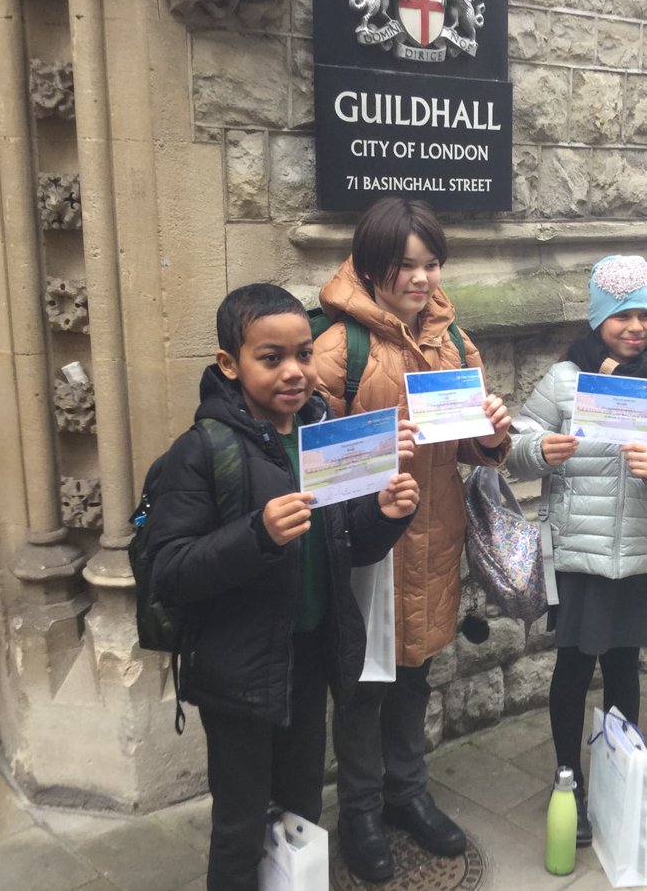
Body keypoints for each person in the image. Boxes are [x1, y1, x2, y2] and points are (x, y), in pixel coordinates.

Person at [145, 283, 419, 891]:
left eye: (302, 354)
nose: (294, 372)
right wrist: (258, 536)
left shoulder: (325, 434)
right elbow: (171, 569)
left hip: (308, 659)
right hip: (238, 671)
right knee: (241, 827)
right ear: (229, 364)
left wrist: (389, 513)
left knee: (300, 812)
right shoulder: (202, 451)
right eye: (271, 358)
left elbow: (351, 547)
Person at [312, 196, 512, 882]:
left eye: (431, 264)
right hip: (369, 547)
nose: (422, 279)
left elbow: (475, 454)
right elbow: (310, 459)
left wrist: (490, 429)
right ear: (373, 267)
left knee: (415, 675)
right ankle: (361, 813)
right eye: (406, 266)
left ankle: (409, 794)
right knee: (365, 685)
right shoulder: (339, 348)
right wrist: (375, 452)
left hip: (434, 537)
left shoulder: (452, 341)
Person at [508, 254, 647, 846]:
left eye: (645, 314)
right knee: (572, 671)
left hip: (638, 557)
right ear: (598, 318)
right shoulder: (565, 379)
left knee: (626, 671)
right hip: (577, 555)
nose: (635, 326)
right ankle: (567, 782)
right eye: (621, 315)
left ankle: (622, 780)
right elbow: (514, 444)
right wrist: (540, 450)